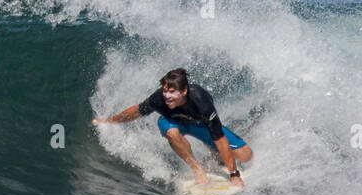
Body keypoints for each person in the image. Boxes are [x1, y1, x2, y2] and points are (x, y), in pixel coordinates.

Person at [93, 68, 252, 186]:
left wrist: (234, 174)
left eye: (172, 92)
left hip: (198, 124)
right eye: (165, 91)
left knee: (246, 155)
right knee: (171, 132)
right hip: (172, 122)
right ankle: (197, 169)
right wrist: (110, 120)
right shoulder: (159, 99)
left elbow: (221, 140)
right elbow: (137, 111)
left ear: (184, 91)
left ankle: (216, 156)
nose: (167, 96)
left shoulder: (202, 104)